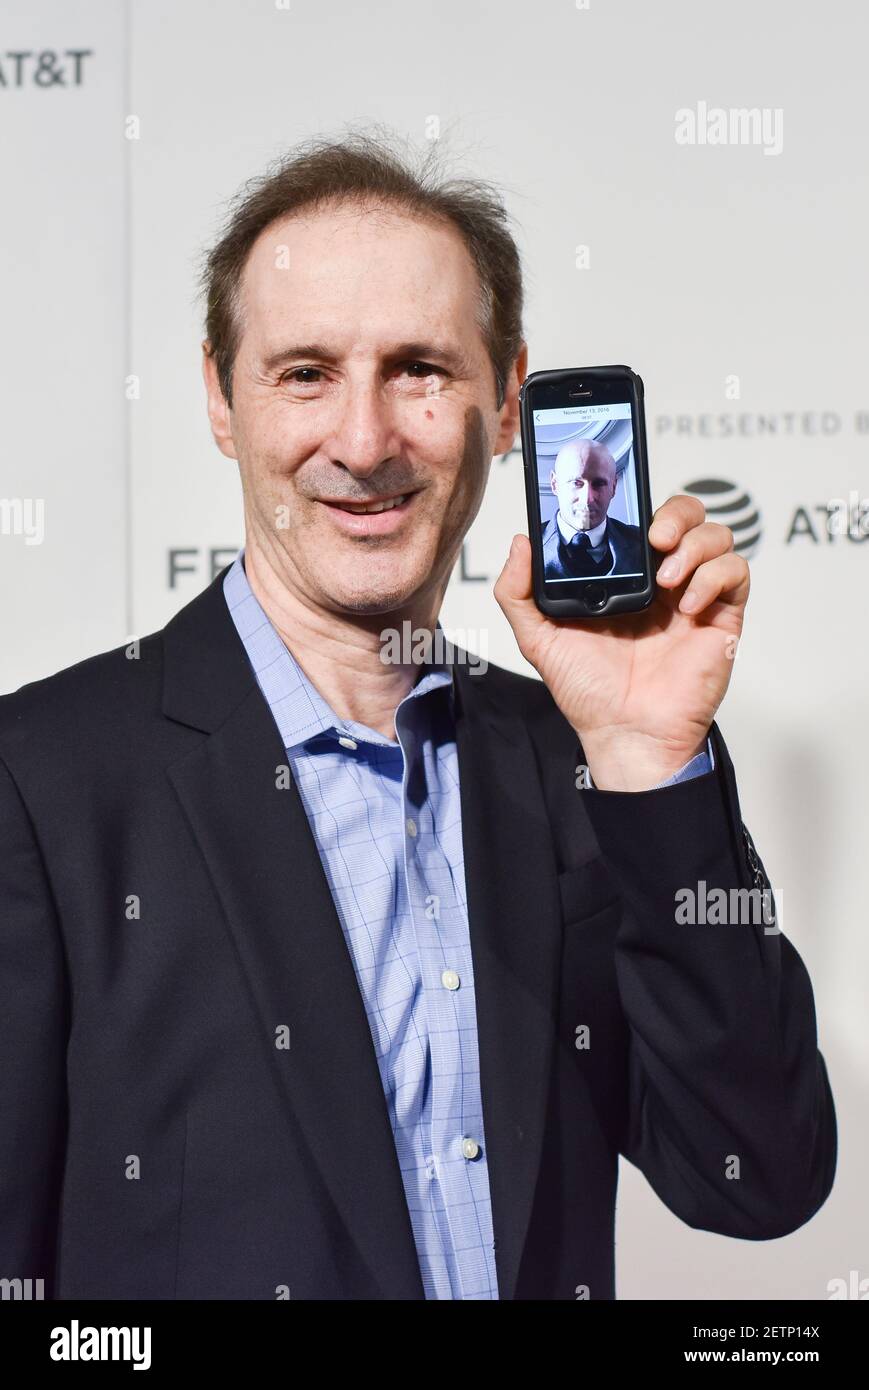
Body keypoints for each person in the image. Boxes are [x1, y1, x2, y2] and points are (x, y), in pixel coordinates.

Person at [0, 132, 836, 1301]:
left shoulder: (582, 760)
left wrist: (650, 764)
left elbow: (761, 1180)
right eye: (304, 372)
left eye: (419, 370)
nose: (362, 441)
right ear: (218, 400)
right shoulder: (40, 779)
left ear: (505, 402)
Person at [542, 438, 644, 578]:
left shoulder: (641, 543)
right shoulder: (529, 549)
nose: (587, 499)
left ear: (613, 487)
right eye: (576, 483)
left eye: (599, 483)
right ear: (554, 484)